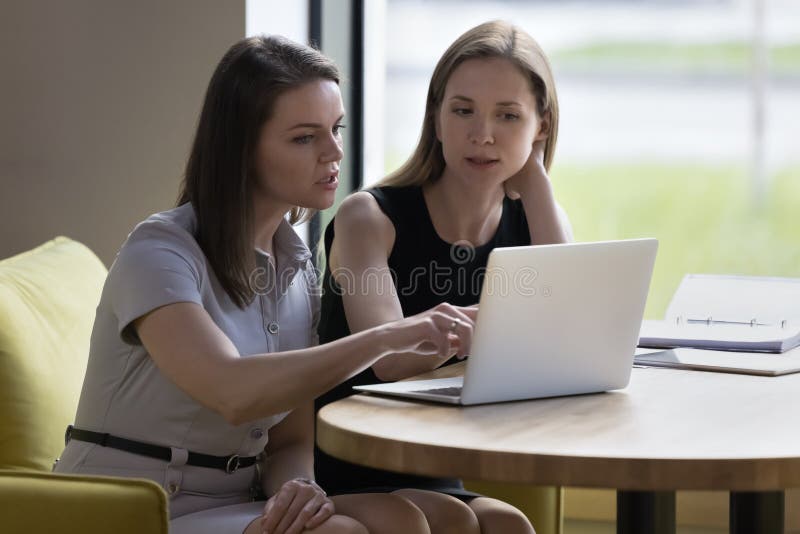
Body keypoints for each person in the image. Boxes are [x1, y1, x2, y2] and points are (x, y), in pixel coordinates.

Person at [54, 35, 479, 534]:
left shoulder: (294, 266)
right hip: (129, 508)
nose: (334, 151)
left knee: (425, 518)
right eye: (305, 137)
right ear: (242, 149)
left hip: (238, 500)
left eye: (335, 129)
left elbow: (290, 437)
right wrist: (387, 336)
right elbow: (233, 391)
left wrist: (296, 488)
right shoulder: (159, 252)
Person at [316, 20, 574, 534]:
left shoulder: (533, 218)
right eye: (463, 111)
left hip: (437, 460)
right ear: (436, 118)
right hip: (345, 456)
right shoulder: (368, 217)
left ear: (540, 125)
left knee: (511, 526)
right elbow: (391, 363)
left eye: (508, 116)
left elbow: (566, 333)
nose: (482, 135)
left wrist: (537, 181)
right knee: (449, 521)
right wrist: (498, 327)